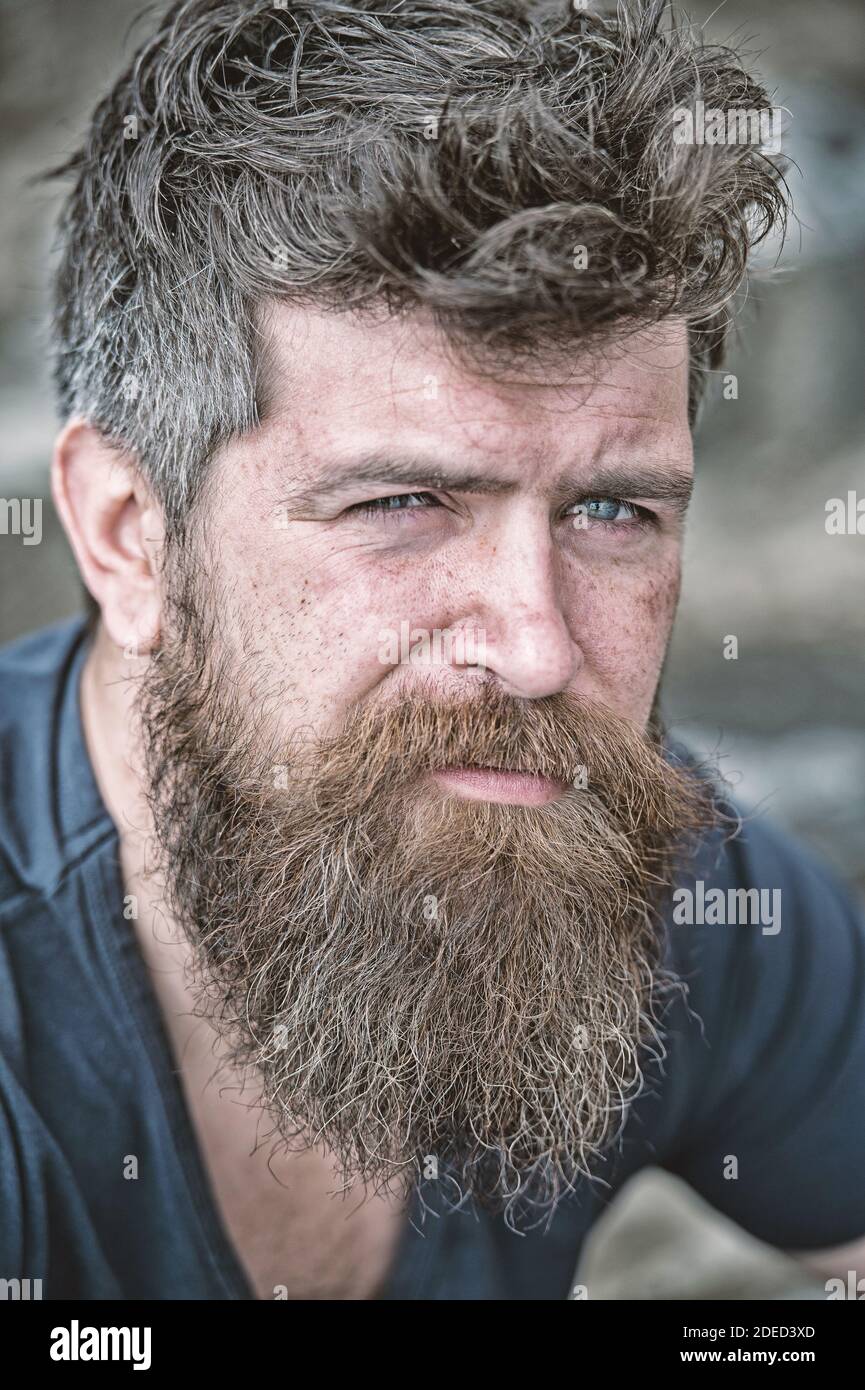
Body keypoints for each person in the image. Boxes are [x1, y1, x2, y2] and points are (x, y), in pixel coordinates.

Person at [1, 0, 863, 1301]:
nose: (532, 645)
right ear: (130, 536)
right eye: (402, 504)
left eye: (611, 510)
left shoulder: (652, 876)